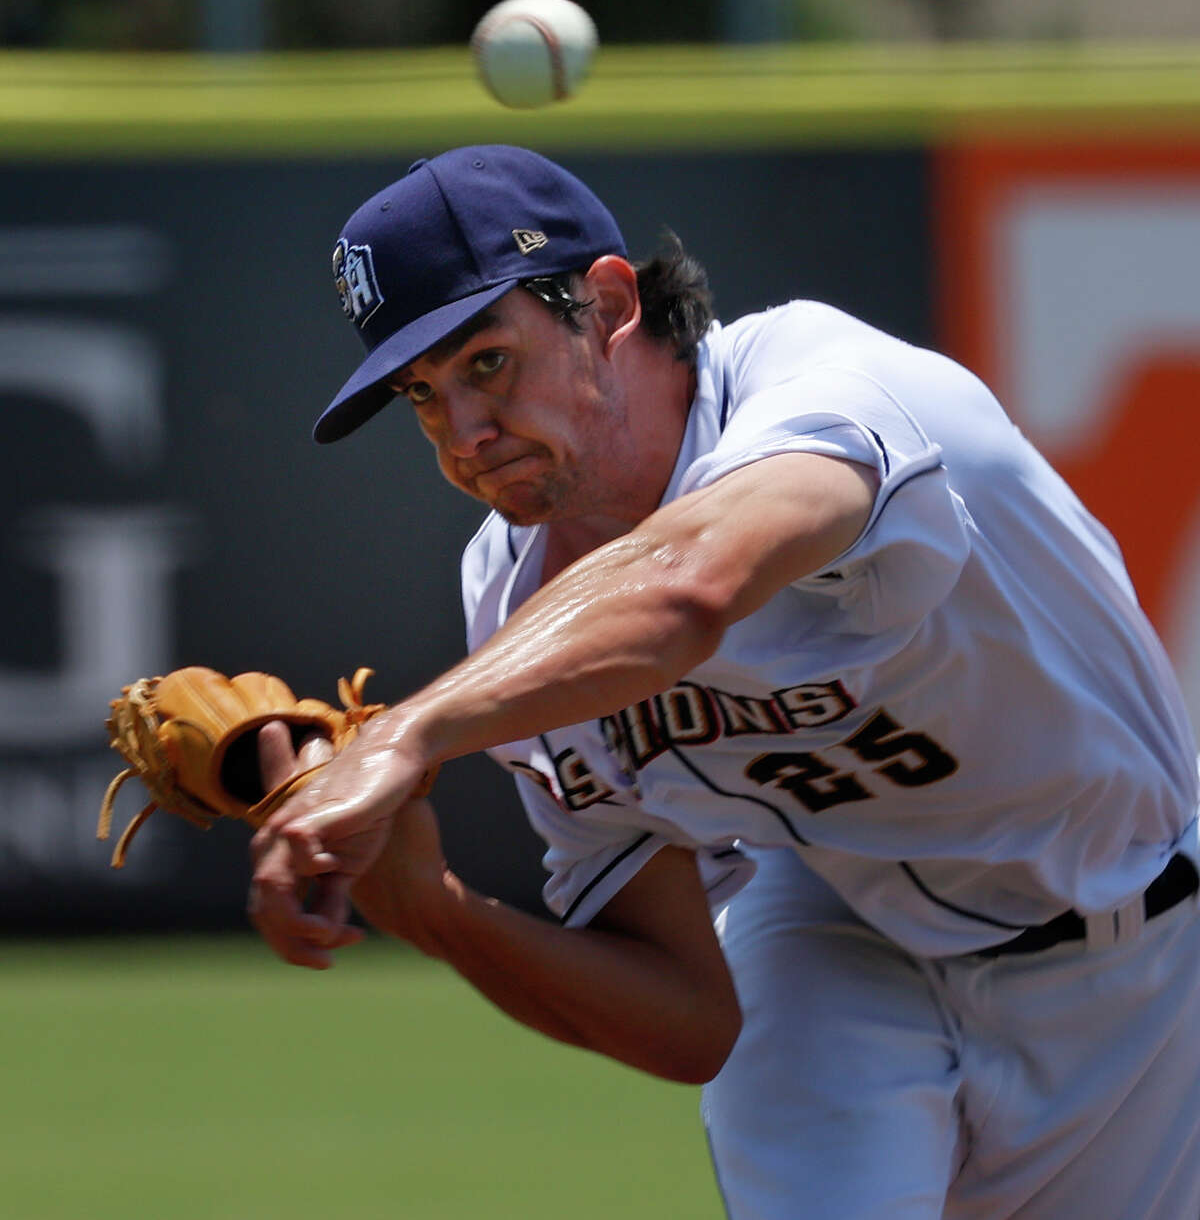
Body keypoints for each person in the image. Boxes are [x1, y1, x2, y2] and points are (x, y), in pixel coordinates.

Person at [249, 144, 1200, 1220]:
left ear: (606, 302)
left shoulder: (828, 387)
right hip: (839, 930)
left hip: (1136, 955)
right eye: (422, 398)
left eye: (486, 363)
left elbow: (688, 585)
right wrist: (434, 911)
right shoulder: (510, 601)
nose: (464, 433)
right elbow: (689, 1021)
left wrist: (402, 735)